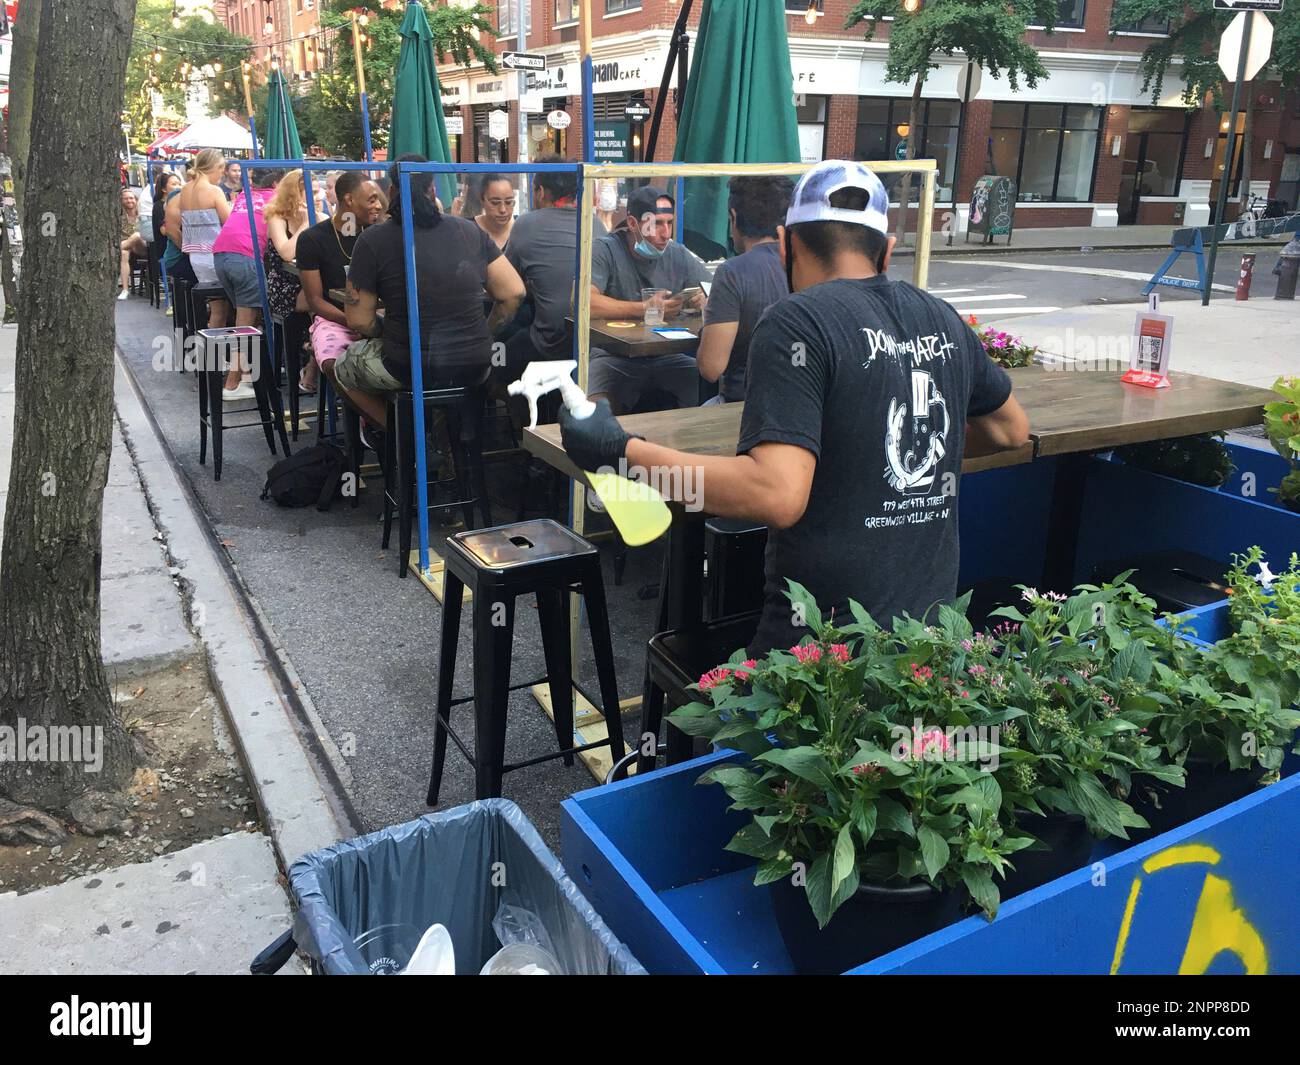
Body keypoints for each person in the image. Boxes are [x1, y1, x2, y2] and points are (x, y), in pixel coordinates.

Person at [559, 160, 1031, 655]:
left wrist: (619, 452)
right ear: (887, 252)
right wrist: (869, 458)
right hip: (929, 649)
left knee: (722, 722)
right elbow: (1009, 431)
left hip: (823, 663)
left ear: (787, 244)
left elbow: (776, 494)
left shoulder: (797, 321)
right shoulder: (941, 315)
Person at [338, 156, 525, 434]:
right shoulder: (469, 231)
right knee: (443, 386)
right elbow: (513, 293)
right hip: (475, 363)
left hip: (409, 365)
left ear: (391, 193)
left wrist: (385, 329)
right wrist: (487, 332)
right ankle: (440, 436)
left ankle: (409, 437)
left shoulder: (372, 240)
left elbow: (358, 321)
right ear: (433, 190)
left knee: (341, 367)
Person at [587, 185, 710, 412]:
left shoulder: (677, 253)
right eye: (656, 224)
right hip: (612, 356)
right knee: (594, 413)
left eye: (669, 223)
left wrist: (704, 299)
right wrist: (644, 308)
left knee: (708, 380)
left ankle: (690, 444)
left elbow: (712, 289)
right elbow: (584, 303)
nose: (666, 233)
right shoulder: (604, 249)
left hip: (665, 356)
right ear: (633, 224)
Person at [498, 154, 605, 385]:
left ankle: (517, 415)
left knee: (498, 358)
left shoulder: (526, 224)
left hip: (550, 344)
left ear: (541, 192)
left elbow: (505, 283)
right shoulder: (595, 223)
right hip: (593, 342)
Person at [696, 176, 793, 403]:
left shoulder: (732, 273)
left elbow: (710, 368)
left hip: (743, 404)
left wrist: (708, 319)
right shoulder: (808, 264)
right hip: (797, 404)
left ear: (734, 217)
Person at [295, 171, 386, 410]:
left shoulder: (380, 235)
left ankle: (386, 426)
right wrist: (354, 321)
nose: (378, 205)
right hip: (333, 319)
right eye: (372, 199)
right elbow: (315, 301)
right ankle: (375, 422)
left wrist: (370, 321)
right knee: (334, 364)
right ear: (349, 200)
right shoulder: (312, 240)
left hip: (381, 317)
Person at [212, 169, 280, 400]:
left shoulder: (245, 196)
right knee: (245, 322)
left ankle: (249, 372)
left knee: (251, 316)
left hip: (221, 256)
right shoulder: (277, 199)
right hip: (245, 258)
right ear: (278, 182)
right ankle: (233, 383)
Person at [166, 148, 230, 326]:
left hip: (196, 256)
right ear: (215, 167)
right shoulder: (214, 191)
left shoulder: (185, 190)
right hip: (214, 255)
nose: (222, 174)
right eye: (221, 169)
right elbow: (229, 222)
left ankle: (210, 349)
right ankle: (215, 351)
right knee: (221, 310)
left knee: (218, 308)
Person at [263, 169, 313, 389]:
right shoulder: (276, 217)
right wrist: (306, 223)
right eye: (310, 192)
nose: (316, 196)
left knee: (331, 299)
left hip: (305, 280)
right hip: (283, 284)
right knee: (323, 301)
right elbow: (285, 252)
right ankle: (314, 361)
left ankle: (315, 353)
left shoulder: (314, 214)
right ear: (296, 193)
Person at [117, 188, 148, 300]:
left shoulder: (142, 213)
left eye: (131, 198)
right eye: (125, 199)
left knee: (137, 235)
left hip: (142, 246)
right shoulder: (119, 216)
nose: (129, 200)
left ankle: (116, 249)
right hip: (128, 247)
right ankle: (125, 290)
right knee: (124, 253)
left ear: (135, 199)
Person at [474, 173, 516, 249]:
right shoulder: (468, 230)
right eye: (495, 203)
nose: (502, 210)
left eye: (508, 202)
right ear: (482, 200)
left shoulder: (522, 229)